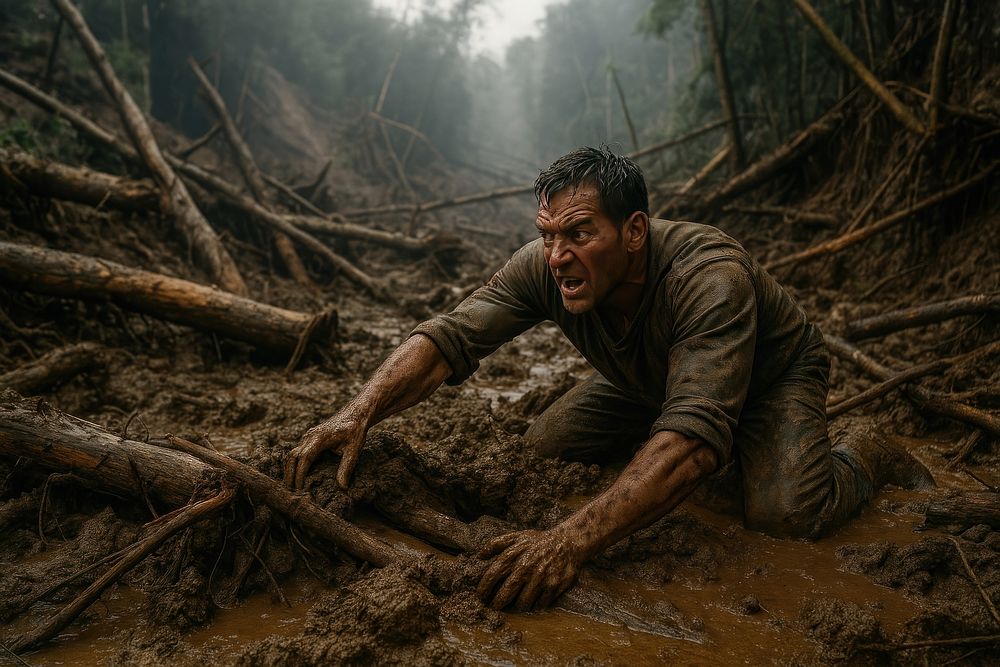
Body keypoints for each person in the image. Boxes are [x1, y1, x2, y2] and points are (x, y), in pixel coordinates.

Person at [285, 146, 933, 612]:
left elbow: (696, 440)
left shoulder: (710, 278)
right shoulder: (544, 266)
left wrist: (569, 540)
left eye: (577, 234)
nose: (557, 256)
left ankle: (863, 453)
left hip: (770, 377)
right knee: (546, 445)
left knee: (783, 516)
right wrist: (358, 410)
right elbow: (446, 337)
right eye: (546, 235)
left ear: (635, 231)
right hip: (648, 381)